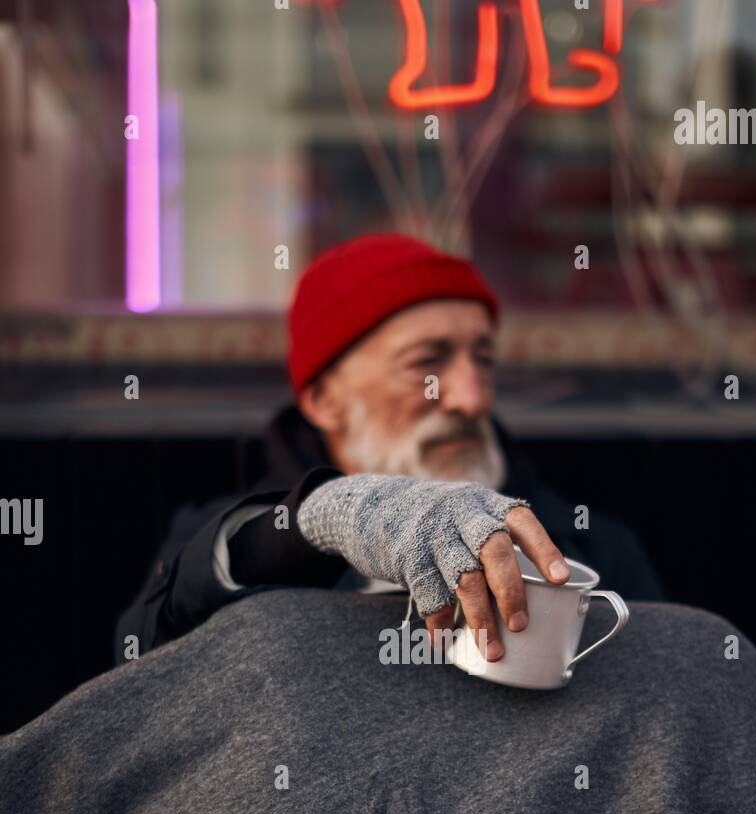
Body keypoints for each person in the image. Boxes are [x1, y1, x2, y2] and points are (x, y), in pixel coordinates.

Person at [114, 233, 664, 666]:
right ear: (327, 400)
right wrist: (321, 522)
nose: (472, 399)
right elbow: (138, 657)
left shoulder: (592, 546)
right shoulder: (224, 542)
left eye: (484, 360)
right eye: (427, 363)